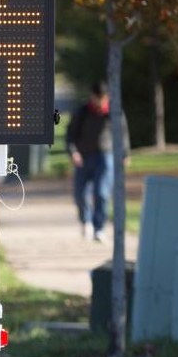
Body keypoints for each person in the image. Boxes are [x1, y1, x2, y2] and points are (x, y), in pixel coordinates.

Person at [66, 81, 129, 242]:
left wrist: (125, 154)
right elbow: (70, 134)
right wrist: (73, 152)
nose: (99, 101)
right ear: (92, 96)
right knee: (80, 194)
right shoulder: (82, 112)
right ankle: (86, 222)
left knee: (101, 193)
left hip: (105, 156)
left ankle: (98, 228)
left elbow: (122, 134)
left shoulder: (114, 112)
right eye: (97, 98)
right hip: (84, 157)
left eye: (102, 98)